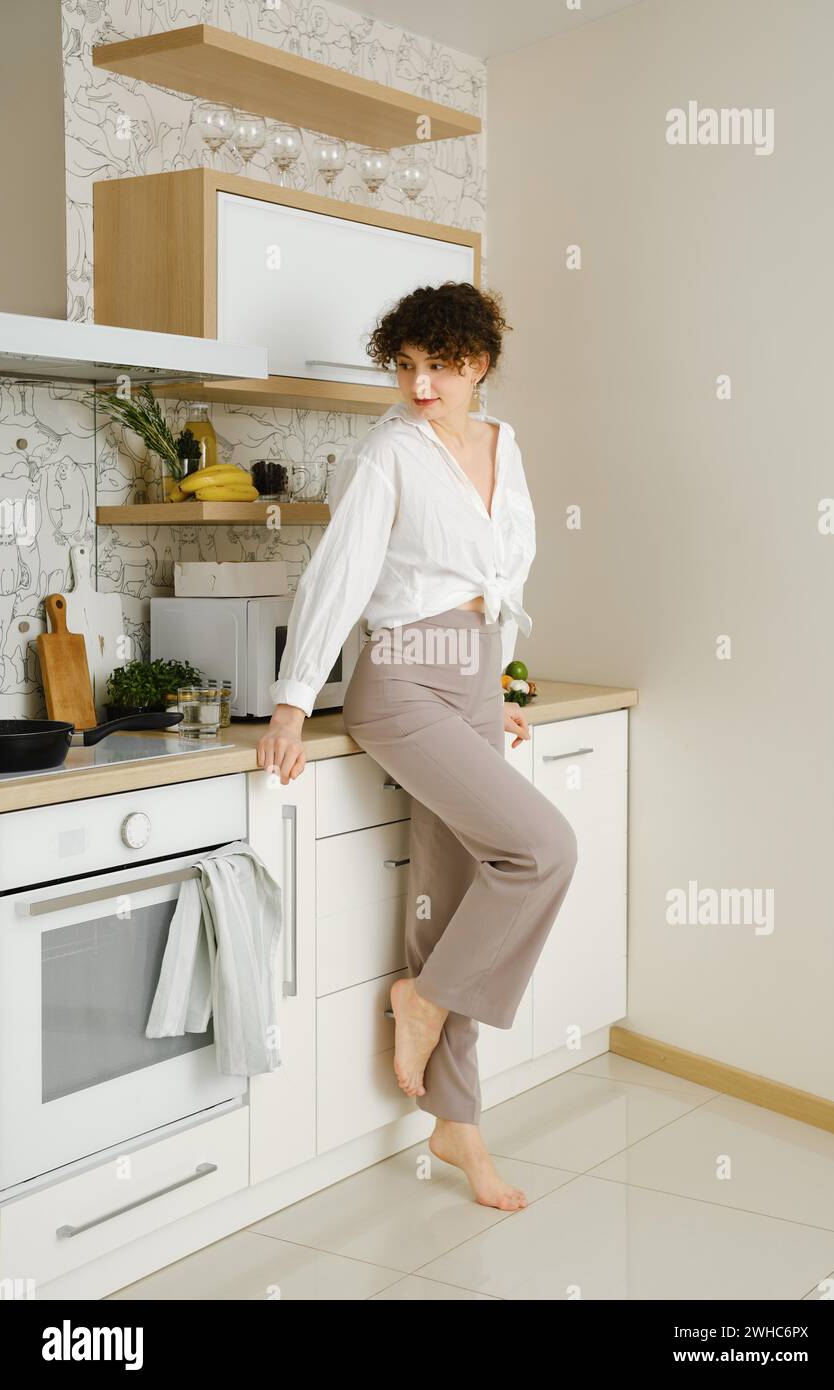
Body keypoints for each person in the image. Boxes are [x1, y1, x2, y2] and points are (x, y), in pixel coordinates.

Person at [257, 282, 578, 1211]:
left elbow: (502, 574)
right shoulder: (392, 451)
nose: (420, 386)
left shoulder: (502, 446)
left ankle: (456, 1128)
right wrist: (291, 699)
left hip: (473, 679)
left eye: (437, 367)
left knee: (461, 903)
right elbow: (341, 572)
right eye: (405, 368)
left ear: (477, 364)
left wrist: (505, 683)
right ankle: (425, 1002)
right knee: (544, 850)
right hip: (402, 682)